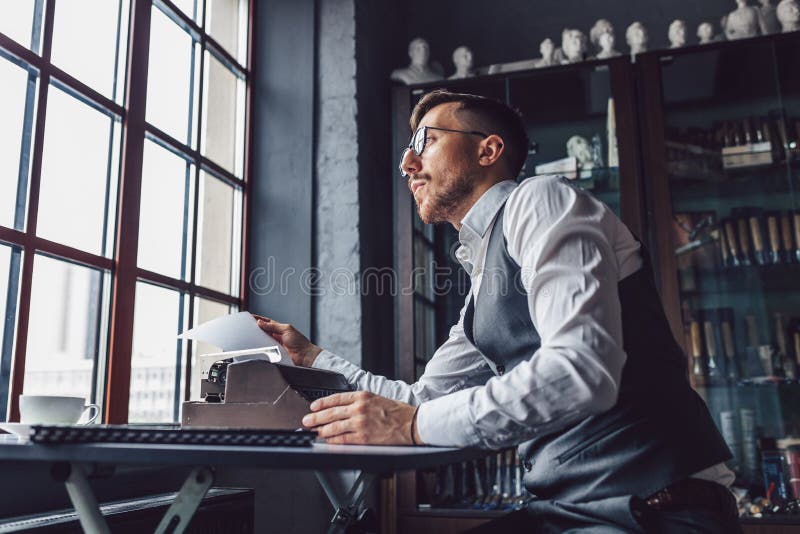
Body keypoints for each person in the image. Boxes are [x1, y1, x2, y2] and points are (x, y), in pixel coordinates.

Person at [256, 89, 739, 532]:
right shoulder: (482, 286)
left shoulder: (542, 199)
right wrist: (312, 359)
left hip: (656, 510)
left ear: (488, 150)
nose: (407, 162)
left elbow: (580, 371)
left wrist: (410, 426)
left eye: (425, 141)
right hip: (568, 511)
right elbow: (418, 402)